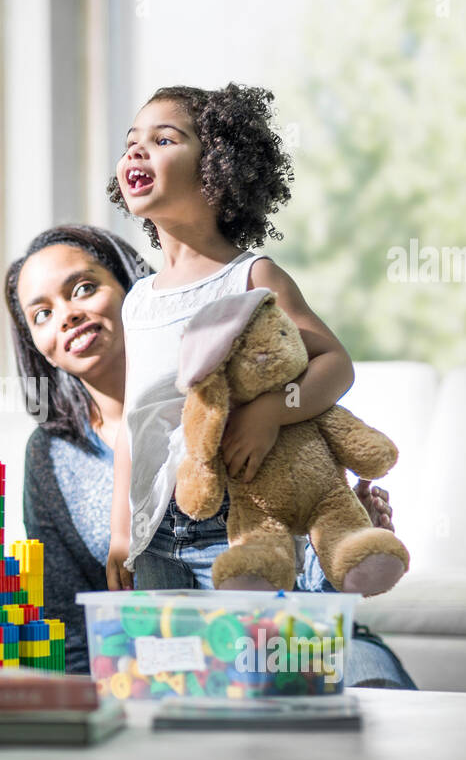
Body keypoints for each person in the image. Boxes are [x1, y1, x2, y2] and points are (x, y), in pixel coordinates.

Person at [5, 224, 413, 687]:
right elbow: (66, 616)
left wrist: (350, 536)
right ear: (39, 349)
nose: (68, 314)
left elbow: (305, 580)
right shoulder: (52, 456)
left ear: (134, 291)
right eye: (41, 314)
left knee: (370, 698)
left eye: (83, 288)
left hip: (297, 645)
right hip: (174, 670)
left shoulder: (240, 413)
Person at [102, 83, 407, 597]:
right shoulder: (138, 301)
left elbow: (335, 362)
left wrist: (271, 411)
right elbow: (136, 424)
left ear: (217, 170)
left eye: (164, 139)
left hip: (240, 519)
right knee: (177, 669)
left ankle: (343, 547)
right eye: (132, 140)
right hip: (157, 531)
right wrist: (120, 534)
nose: (136, 150)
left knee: (264, 659)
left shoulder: (251, 277)